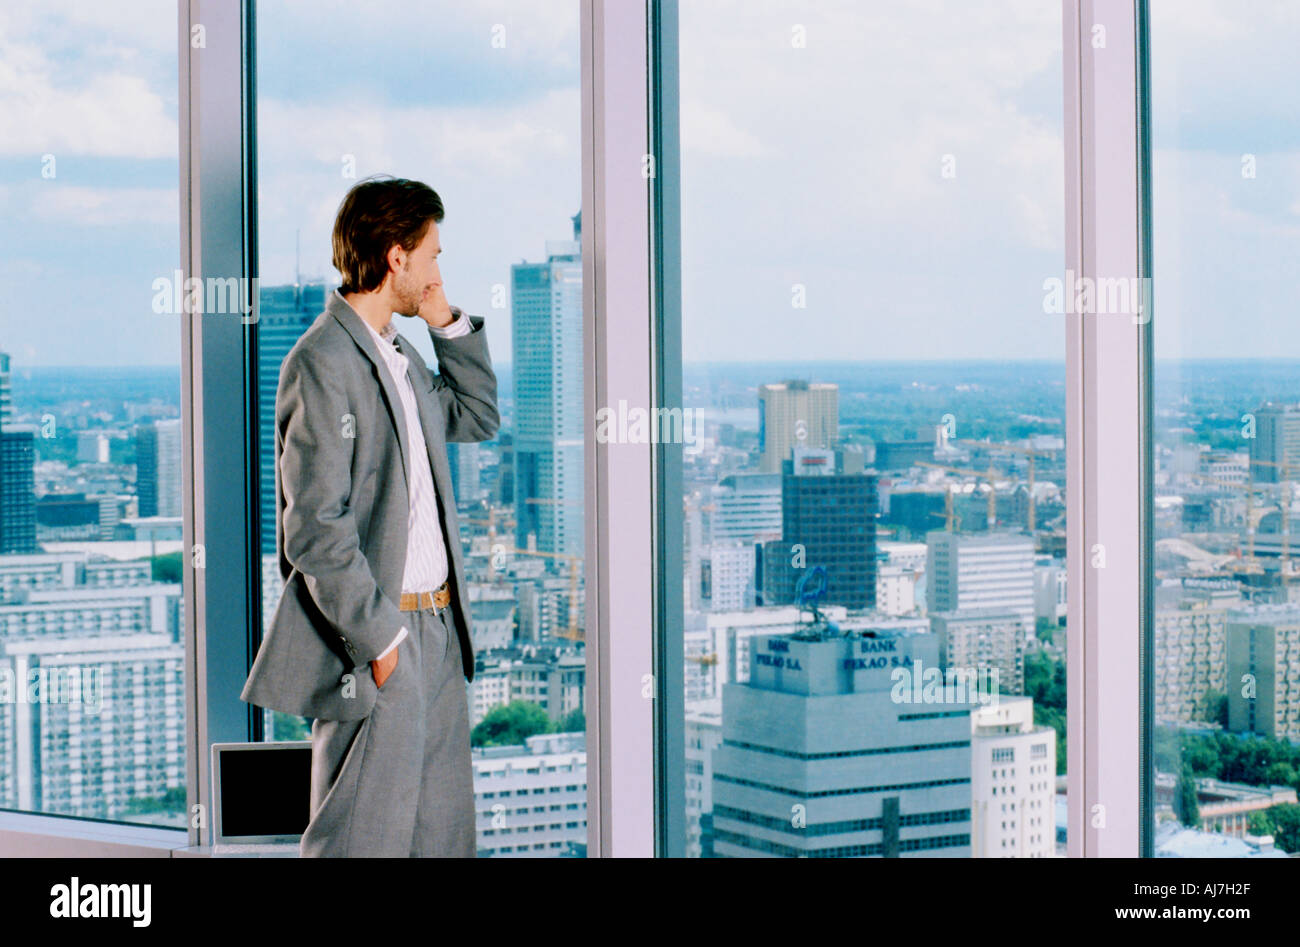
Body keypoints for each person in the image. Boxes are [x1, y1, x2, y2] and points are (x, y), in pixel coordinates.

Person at [241, 175, 499, 856]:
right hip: (382, 635)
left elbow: (476, 416)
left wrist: (445, 321)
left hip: (440, 629)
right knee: (361, 840)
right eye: (433, 254)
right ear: (396, 255)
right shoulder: (321, 361)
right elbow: (316, 531)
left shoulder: (402, 354)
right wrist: (384, 644)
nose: (438, 270)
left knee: (441, 842)